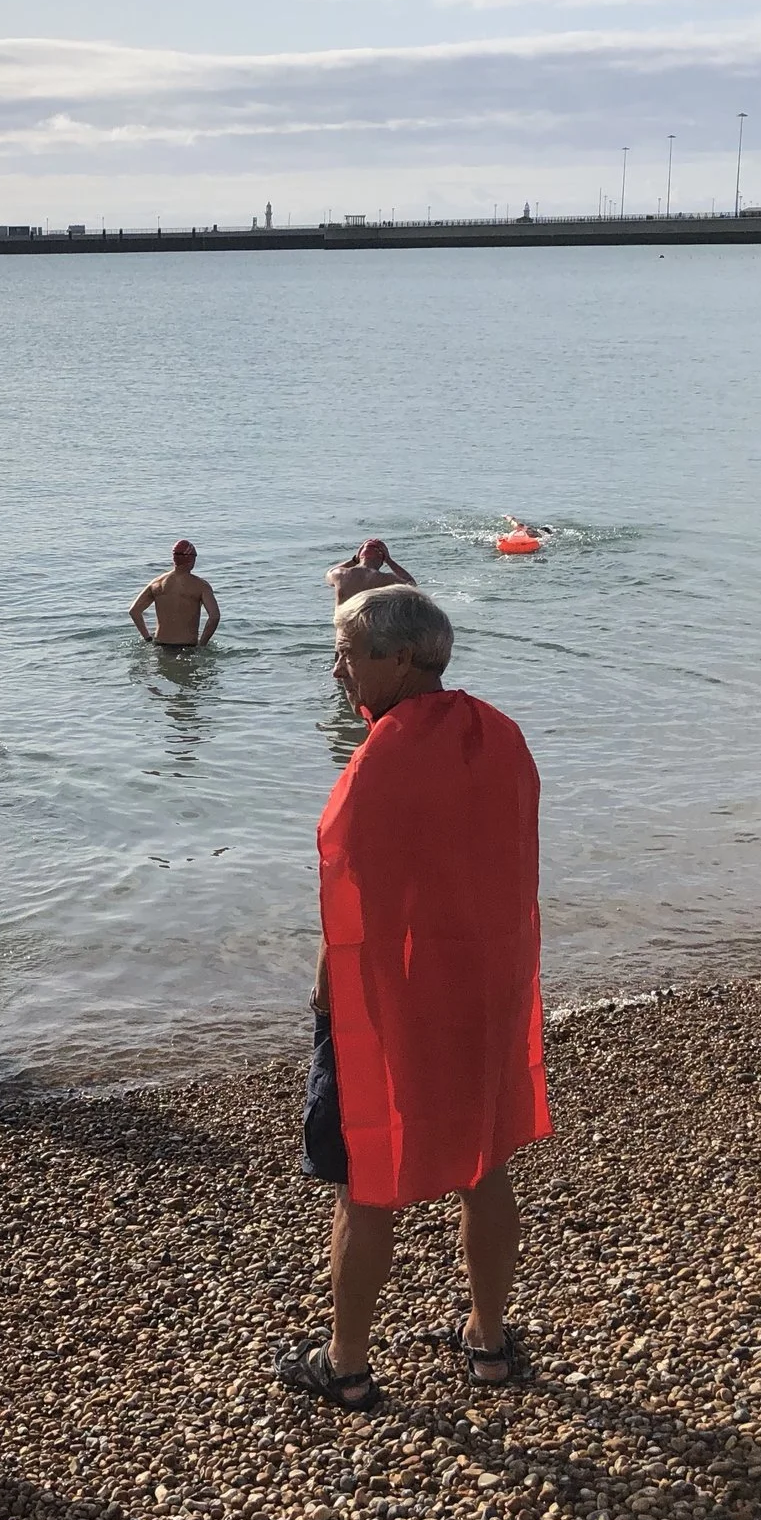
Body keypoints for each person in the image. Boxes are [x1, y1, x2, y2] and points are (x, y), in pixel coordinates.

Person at [276, 586, 551, 1410]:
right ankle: (488, 1342)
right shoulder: (498, 733)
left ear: (400, 659)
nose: (337, 669)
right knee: (484, 1163)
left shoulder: (382, 759)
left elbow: (354, 901)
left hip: (398, 998)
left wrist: (326, 999)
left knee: (366, 1176)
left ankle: (347, 1363)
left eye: (348, 654)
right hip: (488, 985)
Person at [129, 540, 222, 647]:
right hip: (187, 648)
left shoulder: (156, 583)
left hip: (160, 645)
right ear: (191, 559)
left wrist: (147, 638)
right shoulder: (201, 586)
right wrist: (202, 644)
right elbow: (214, 616)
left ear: (174, 559)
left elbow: (134, 611)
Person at [328, 538, 415, 605]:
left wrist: (354, 560)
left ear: (360, 555)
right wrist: (389, 561)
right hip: (370, 623)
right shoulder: (385, 580)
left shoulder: (341, 574)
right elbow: (411, 585)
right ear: (381, 558)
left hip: (343, 622)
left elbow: (329, 574)